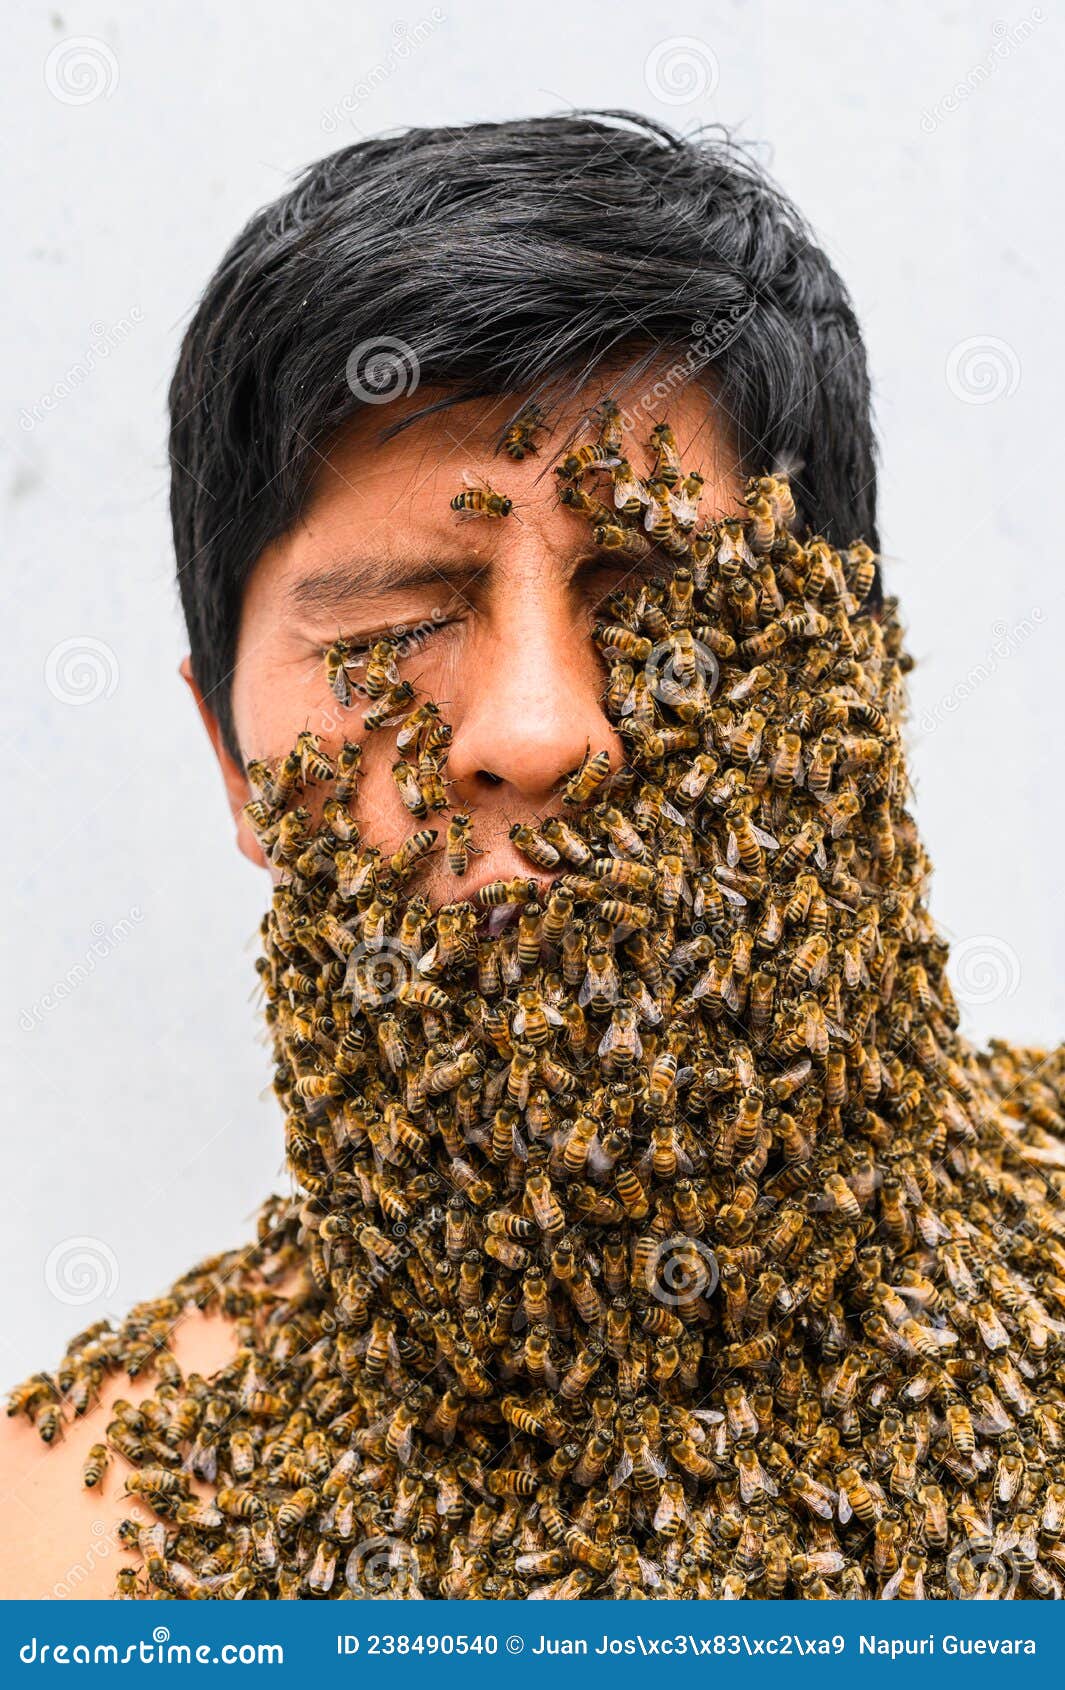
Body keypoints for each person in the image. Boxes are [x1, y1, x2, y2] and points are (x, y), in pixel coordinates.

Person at [1, 112, 883, 1597]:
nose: (537, 733)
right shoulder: (62, 1569)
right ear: (231, 761)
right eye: (397, 630)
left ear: (848, 686)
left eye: (654, 598)